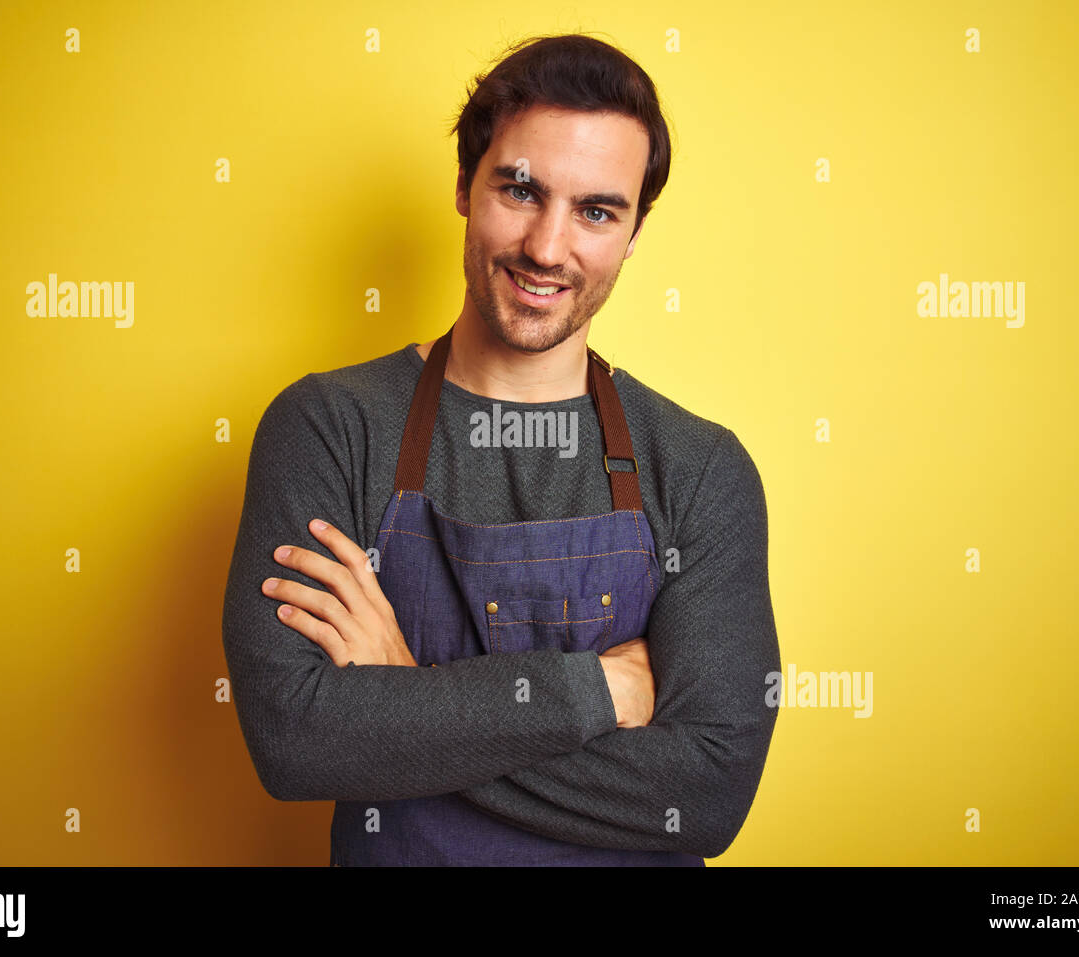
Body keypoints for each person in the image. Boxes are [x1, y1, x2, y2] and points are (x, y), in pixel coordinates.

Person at [221, 32, 780, 866]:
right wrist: (599, 688)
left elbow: (701, 797)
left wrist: (404, 698)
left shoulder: (700, 469)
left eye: (596, 210)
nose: (548, 248)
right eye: (520, 190)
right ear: (463, 186)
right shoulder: (329, 428)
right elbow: (294, 739)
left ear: (632, 235)